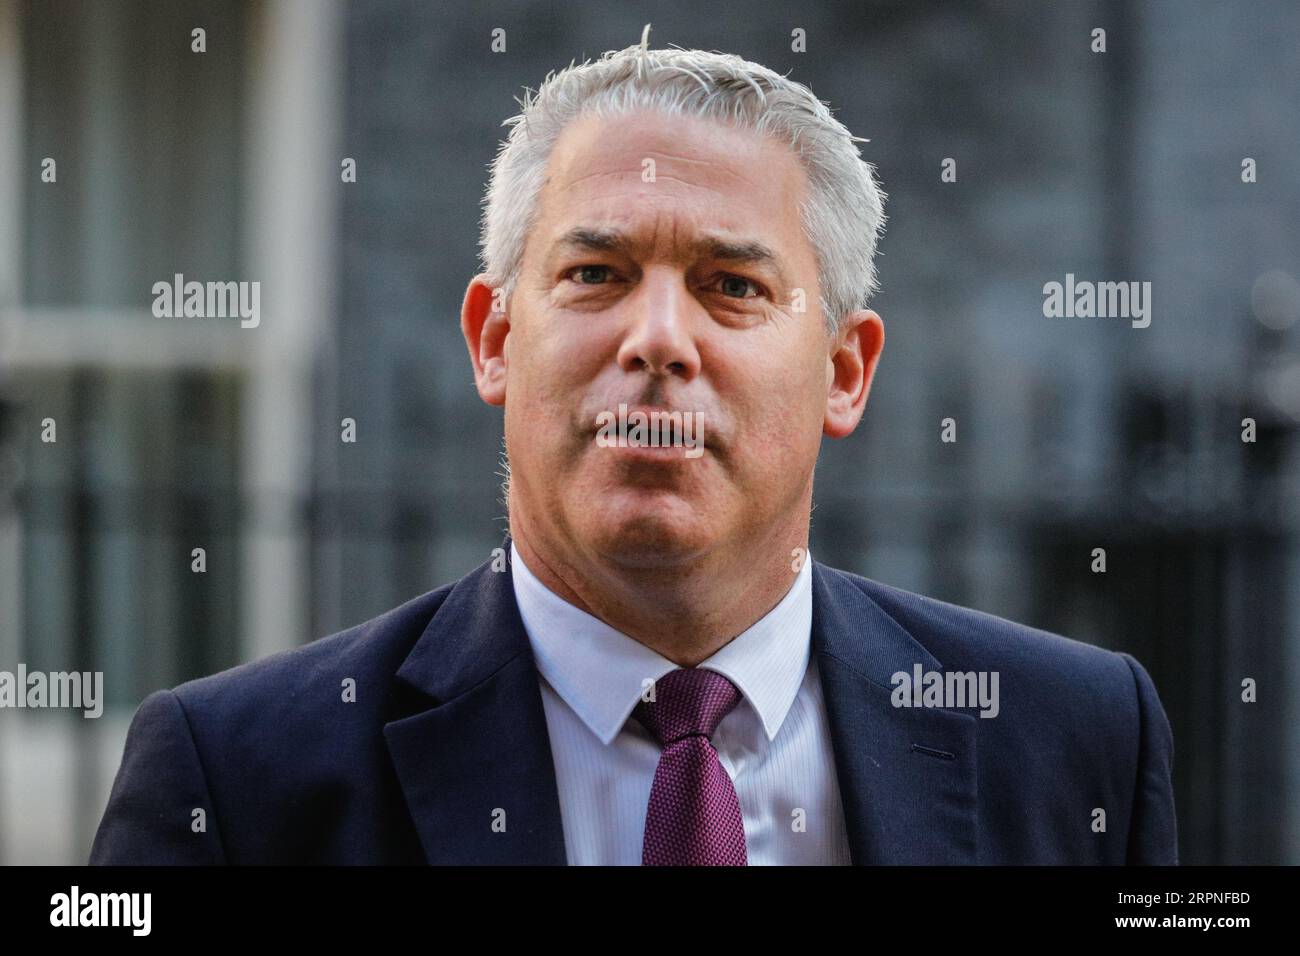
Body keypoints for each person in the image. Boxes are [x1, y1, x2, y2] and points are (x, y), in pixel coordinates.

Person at [90, 31, 1177, 866]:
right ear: (495, 339)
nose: (658, 338)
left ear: (844, 370)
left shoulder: (1073, 740)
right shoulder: (236, 778)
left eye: (732, 286)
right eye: (596, 274)